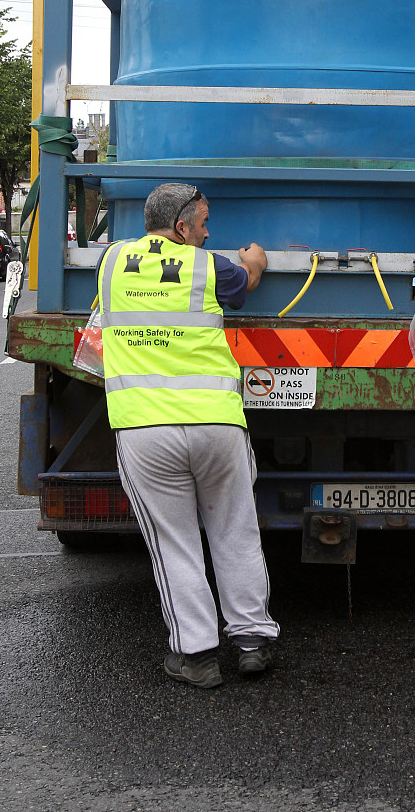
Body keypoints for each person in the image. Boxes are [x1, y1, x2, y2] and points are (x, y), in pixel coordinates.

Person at [97, 182, 280, 689]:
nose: (207, 231)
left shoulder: (111, 261)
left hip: (145, 429)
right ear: (182, 228)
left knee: (174, 543)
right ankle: (252, 642)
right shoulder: (209, 267)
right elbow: (246, 282)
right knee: (236, 532)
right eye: (202, 223)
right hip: (216, 424)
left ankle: (196, 657)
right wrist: (255, 257)